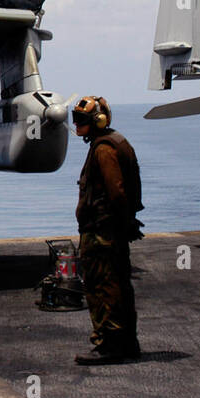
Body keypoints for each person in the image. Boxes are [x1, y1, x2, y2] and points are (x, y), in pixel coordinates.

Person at [72, 96, 144, 365]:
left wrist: (123, 221)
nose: (77, 124)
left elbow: (116, 191)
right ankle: (127, 342)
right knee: (119, 284)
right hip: (111, 228)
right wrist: (128, 222)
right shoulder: (115, 142)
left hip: (101, 230)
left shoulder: (103, 150)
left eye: (81, 120)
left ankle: (108, 344)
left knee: (103, 286)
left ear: (97, 121)